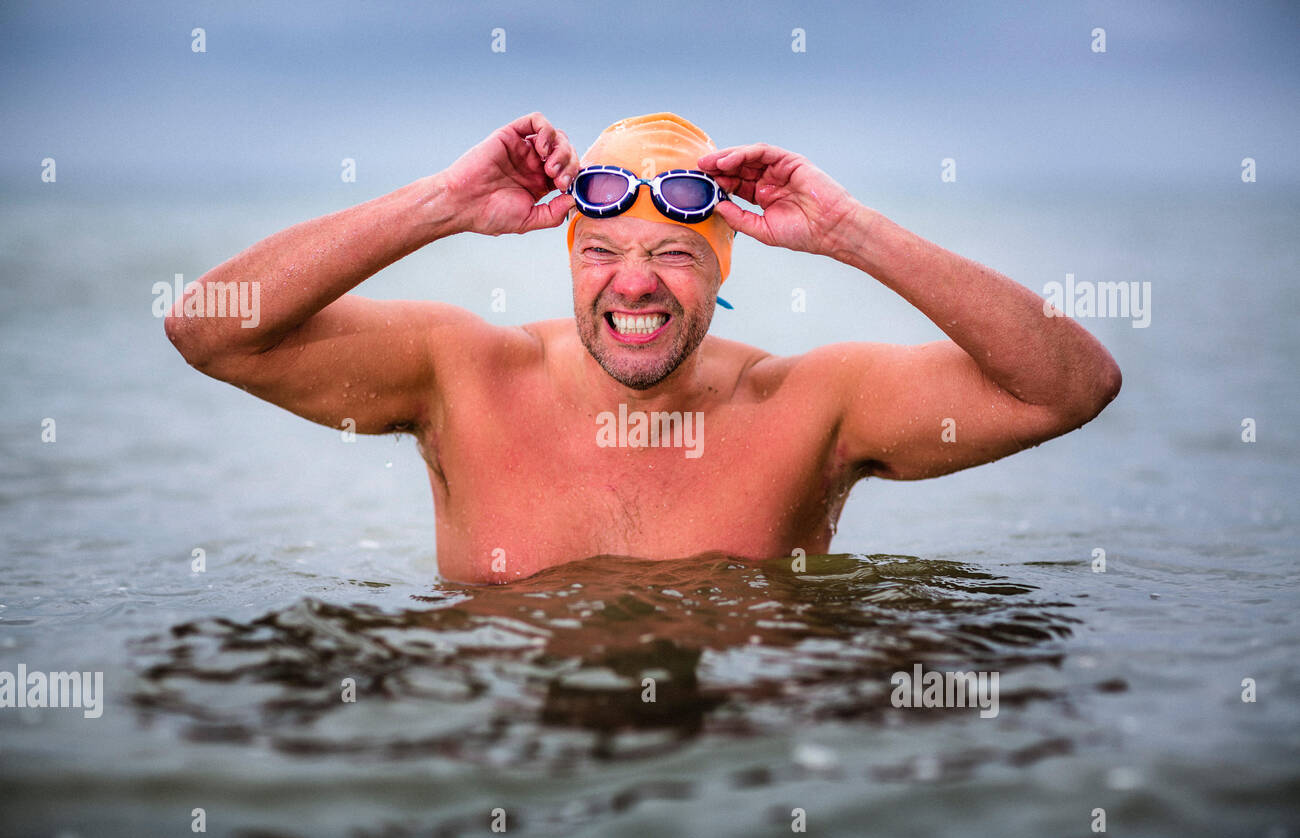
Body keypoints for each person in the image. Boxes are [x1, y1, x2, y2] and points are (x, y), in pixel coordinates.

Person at [164, 111, 1121, 584]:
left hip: (739, 796)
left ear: (720, 271)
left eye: (672, 253)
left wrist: (850, 232)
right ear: (568, 259)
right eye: (606, 254)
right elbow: (208, 329)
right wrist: (442, 206)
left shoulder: (811, 407)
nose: (634, 284)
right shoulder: (460, 376)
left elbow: (1069, 388)